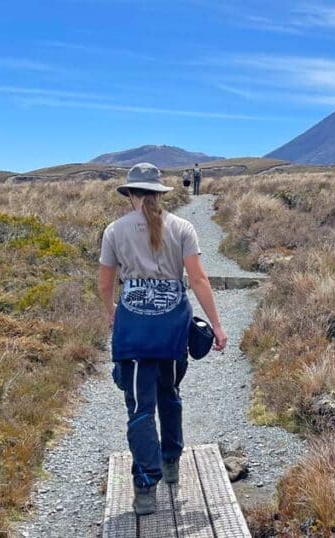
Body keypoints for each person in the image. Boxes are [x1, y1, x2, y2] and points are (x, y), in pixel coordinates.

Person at [97, 162, 228, 515]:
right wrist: (217, 325)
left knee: (140, 405)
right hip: (172, 325)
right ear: (159, 193)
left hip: (134, 330)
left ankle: (144, 486)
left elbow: (106, 282)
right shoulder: (183, 228)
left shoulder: (114, 231)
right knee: (170, 393)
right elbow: (199, 279)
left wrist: (112, 313)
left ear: (131, 194)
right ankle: (171, 462)